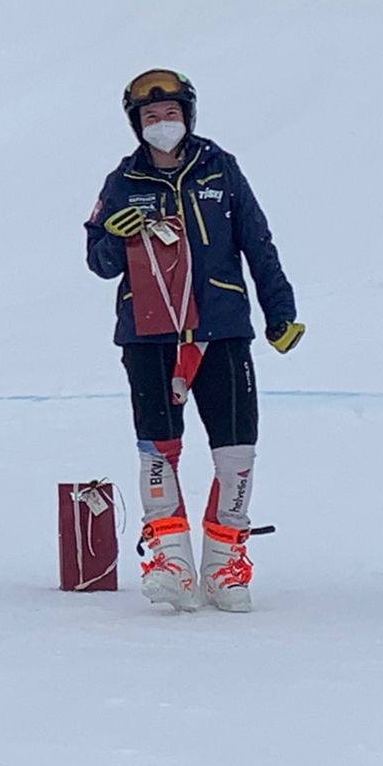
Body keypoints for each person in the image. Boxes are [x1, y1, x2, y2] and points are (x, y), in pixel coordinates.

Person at [84, 69, 303, 613]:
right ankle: (172, 560)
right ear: (137, 125)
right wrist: (114, 233)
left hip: (221, 329)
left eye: (171, 115)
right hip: (148, 333)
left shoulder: (220, 168)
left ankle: (224, 566)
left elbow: (258, 240)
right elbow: (99, 262)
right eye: (151, 118)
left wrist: (281, 312)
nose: (162, 125)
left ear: (189, 116)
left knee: (236, 451)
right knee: (158, 451)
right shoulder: (123, 180)